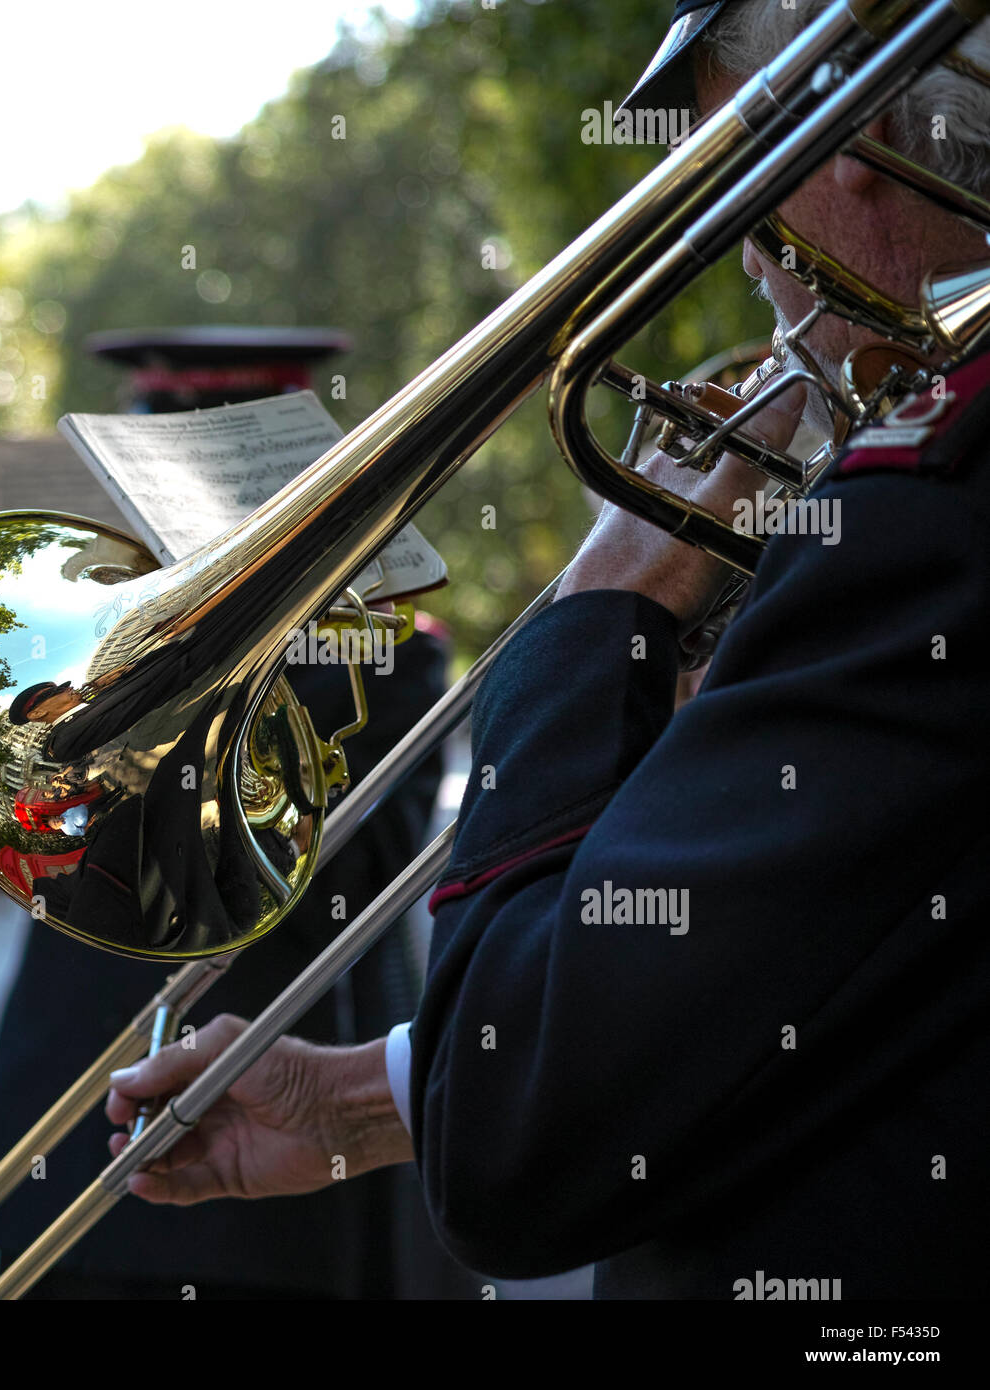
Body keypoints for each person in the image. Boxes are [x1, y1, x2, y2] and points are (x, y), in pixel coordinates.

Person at [104, 0, 990, 1298]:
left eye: (734, 172)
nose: (749, 258)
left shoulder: (923, 521)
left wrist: (605, 595)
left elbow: (530, 1151)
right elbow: (783, 991)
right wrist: (383, 1097)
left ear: (848, 141)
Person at [0, 330, 474, 1297]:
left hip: (272, 1097)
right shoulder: (74, 644)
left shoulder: (392, 653)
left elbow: (362, 870)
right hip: (73, 1092)